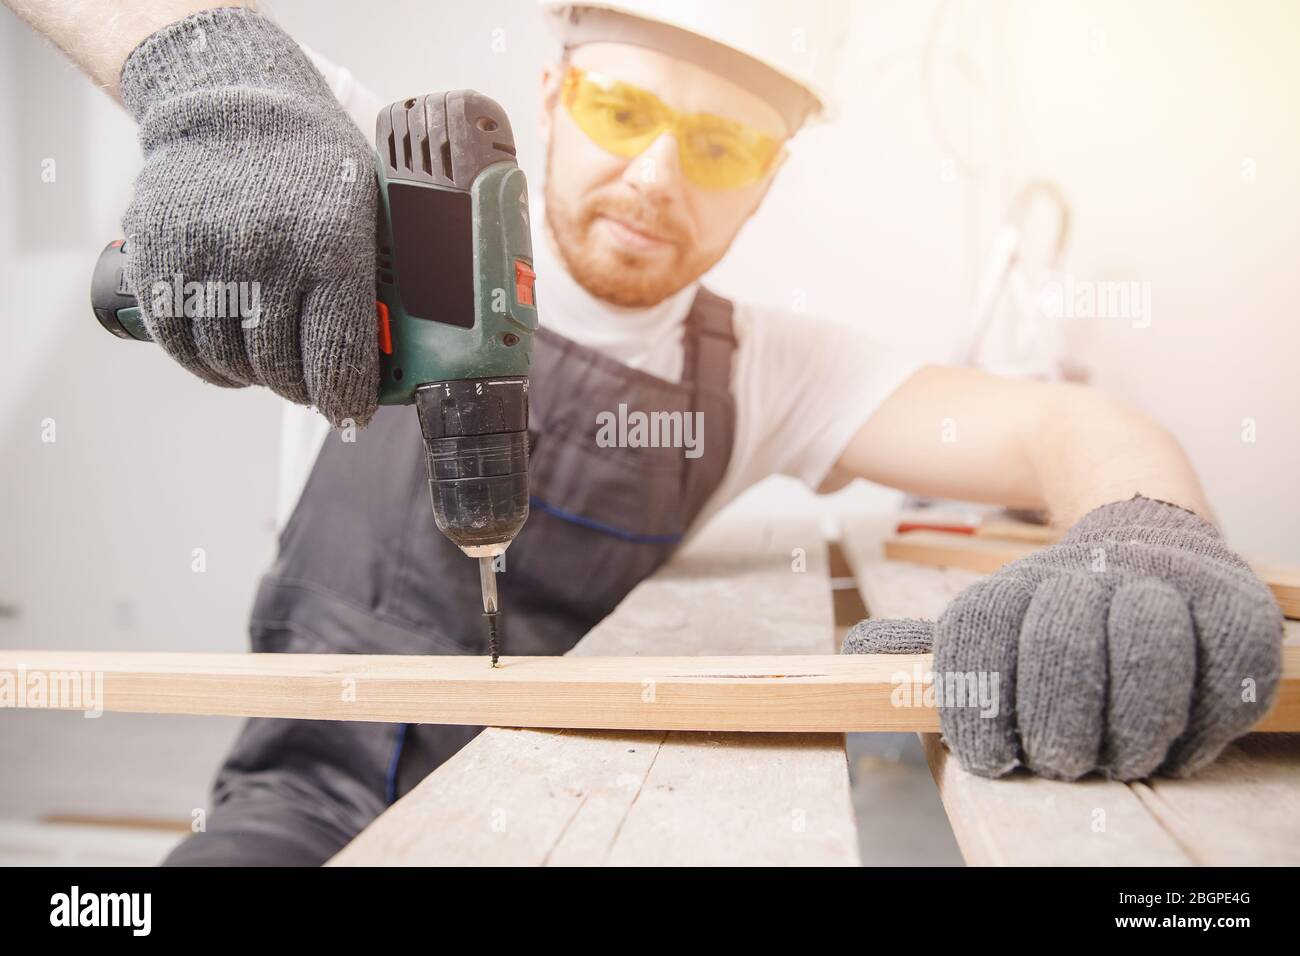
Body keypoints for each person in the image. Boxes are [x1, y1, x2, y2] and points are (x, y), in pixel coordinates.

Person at [6, 0, 1282, 865]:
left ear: (770, 178)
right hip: (285, 800)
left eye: (722, 144)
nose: (659, 178)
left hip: (547, 811)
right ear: (554, 94)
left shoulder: (771, 367)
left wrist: (1146, 536)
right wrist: (216, 79)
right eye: (623, 113)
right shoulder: (368, 177)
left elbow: (1067, 423)